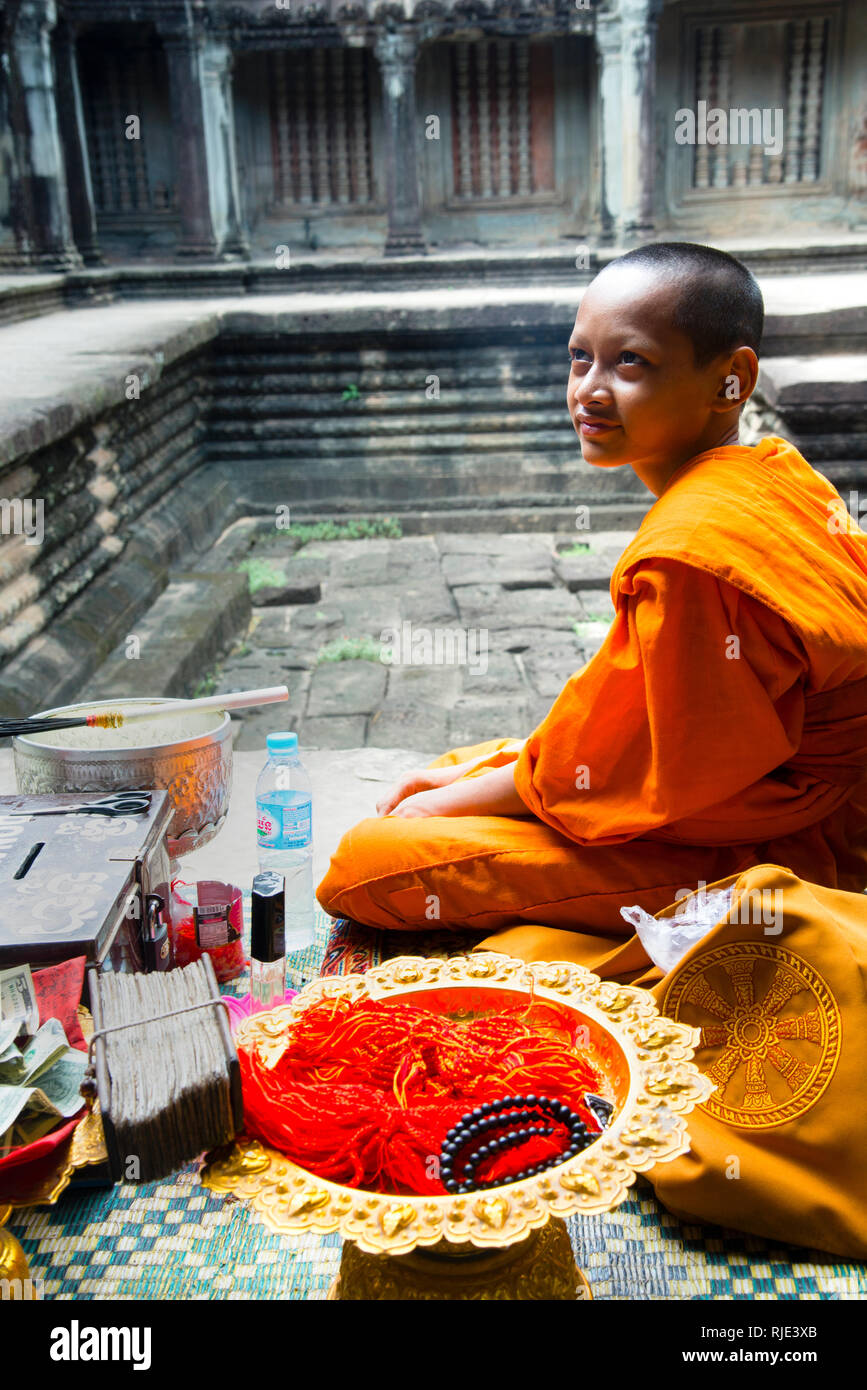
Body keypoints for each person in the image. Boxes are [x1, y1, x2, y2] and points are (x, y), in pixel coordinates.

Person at [316, 242, 867, 972]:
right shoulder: (771, 471)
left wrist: (455, 804)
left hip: (785, 847)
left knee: (370, 863)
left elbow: (656, 769)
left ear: (730, 381)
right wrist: (481, 784)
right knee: (456, 768)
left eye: (630, 362)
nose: (590, 390)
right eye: (581, 358)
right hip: (772, 799)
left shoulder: (693, 549)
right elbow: (632, 728)